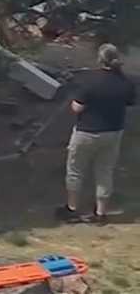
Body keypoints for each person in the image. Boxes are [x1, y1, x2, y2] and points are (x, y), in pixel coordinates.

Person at [56, 43, 136, 224]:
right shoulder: (125, 82)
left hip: (87, 132)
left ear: (100, 59)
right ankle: (101, 213)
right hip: (113, 132)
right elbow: (129, 102)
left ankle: (72, 209)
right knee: (105, 172)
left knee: (75, 171)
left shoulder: (90, 80)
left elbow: (77, 107)